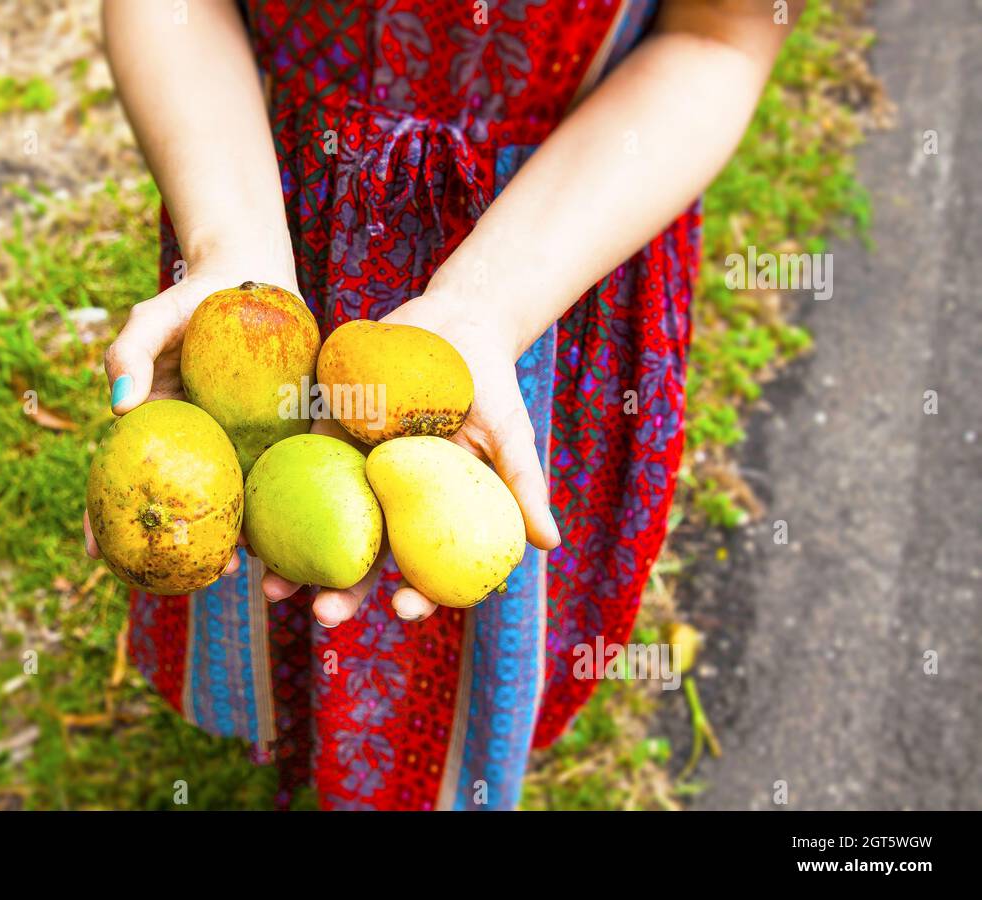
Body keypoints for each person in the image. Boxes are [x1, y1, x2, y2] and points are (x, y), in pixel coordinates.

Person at [85, 0, 793, 810]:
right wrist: (233, 247)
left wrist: (488, 310)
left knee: (449, 604)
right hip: (262, 194)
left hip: (554, 241)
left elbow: (717, 39)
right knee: (281, 564)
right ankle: (296, 739)